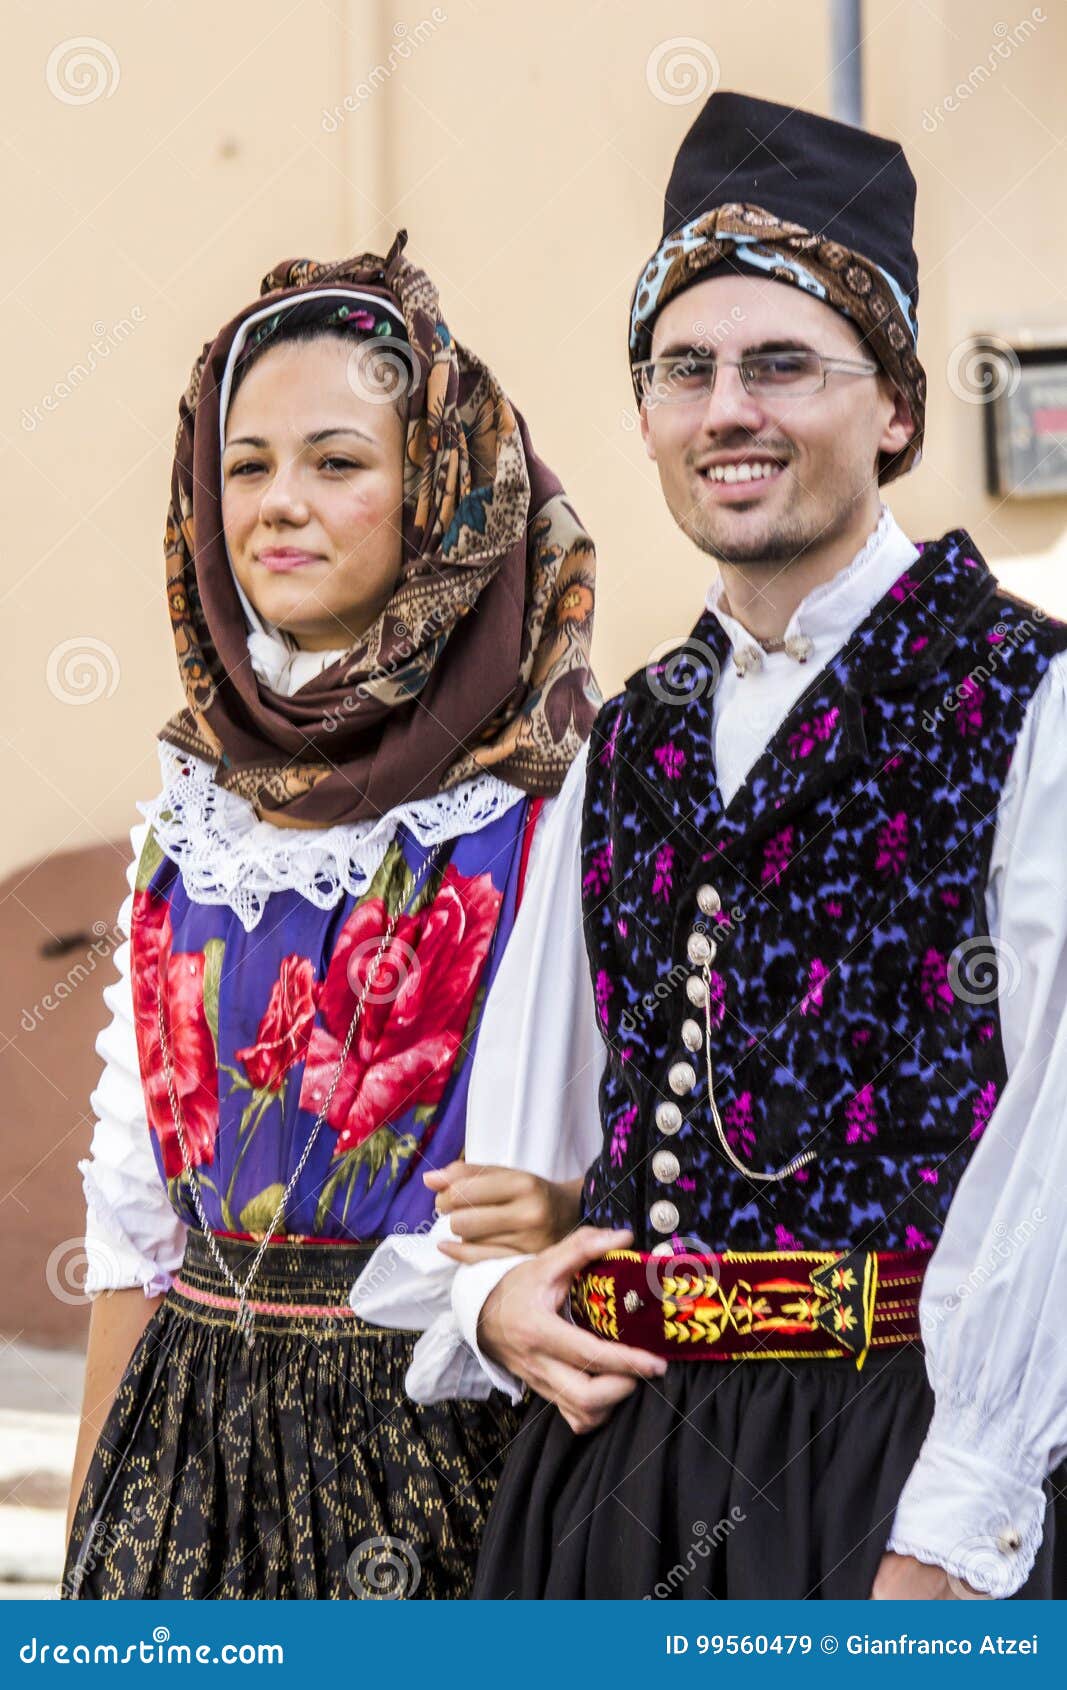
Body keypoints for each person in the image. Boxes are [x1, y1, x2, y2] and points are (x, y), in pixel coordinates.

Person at [393, 92, 1067, 1601]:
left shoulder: (1035, 700)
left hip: (904, 1467)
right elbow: (509, 1152)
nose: (726, 411)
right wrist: (492, 1301)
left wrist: (956, 1529)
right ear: (643, 415)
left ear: (893, 406)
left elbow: (1060, 1163)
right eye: (683, 369)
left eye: (783, 366)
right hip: (617, 1470)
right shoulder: (627, 739)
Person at [62, 231, 599, 1600]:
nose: (277, 506)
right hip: (178, 1479)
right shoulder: (192, 818)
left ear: (437, 487)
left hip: (445, 1465)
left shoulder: (550, 803)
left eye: (337, 461)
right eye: (246, 466)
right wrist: (89, 1554)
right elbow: (136, 1240)